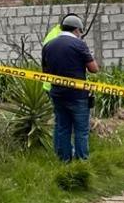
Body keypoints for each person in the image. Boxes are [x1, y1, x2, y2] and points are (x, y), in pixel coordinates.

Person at [41, 14, 99, 162]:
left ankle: (65, 161)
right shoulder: (79, 45)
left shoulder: (49, 45)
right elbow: (94, 69)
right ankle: (82, 162)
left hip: (57, 94)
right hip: (77, 95)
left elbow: (45, 72)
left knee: (63, 128)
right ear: (76, 30)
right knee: (81, 131)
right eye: (80, 31)